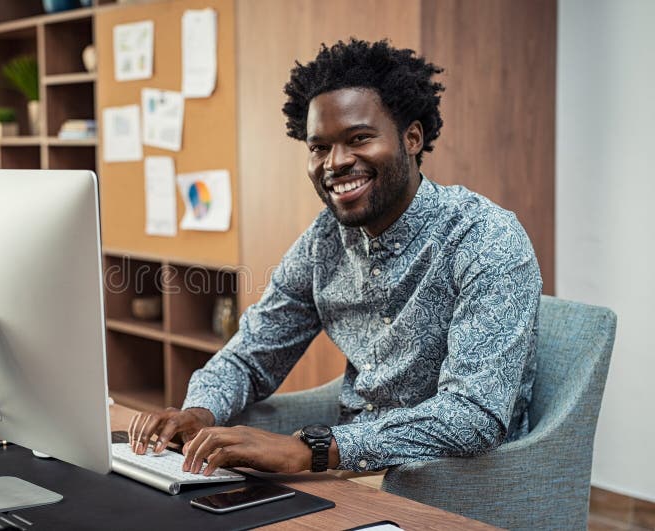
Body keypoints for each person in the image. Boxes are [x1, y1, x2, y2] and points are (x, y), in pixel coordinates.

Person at [128, 39, 542, 477]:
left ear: (412, 137)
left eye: (358, 138)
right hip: (346, 470)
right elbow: (251, 354)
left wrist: (314, 450)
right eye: (318, 147)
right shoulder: (324, 240)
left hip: (451, 482)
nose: (335, 163)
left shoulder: (485, 239)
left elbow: (472, 417)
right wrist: (200, 411)